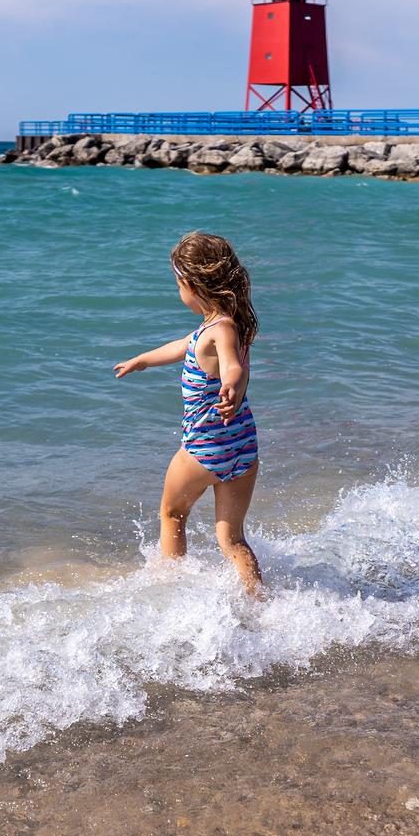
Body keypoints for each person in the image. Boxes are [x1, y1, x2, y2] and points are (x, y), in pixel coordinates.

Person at [112, 231, 267, 597]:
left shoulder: (222, 330)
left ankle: (172, 590)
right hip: (242, 447)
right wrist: (143, 360)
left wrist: (232, 382)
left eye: (179, 284)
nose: (178, 292)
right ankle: (260, 602)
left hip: (205, 447)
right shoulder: (229, 323)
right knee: (231, 539)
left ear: (194, 285)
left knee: (172, 515)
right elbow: (183, 346)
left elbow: (232, 366)